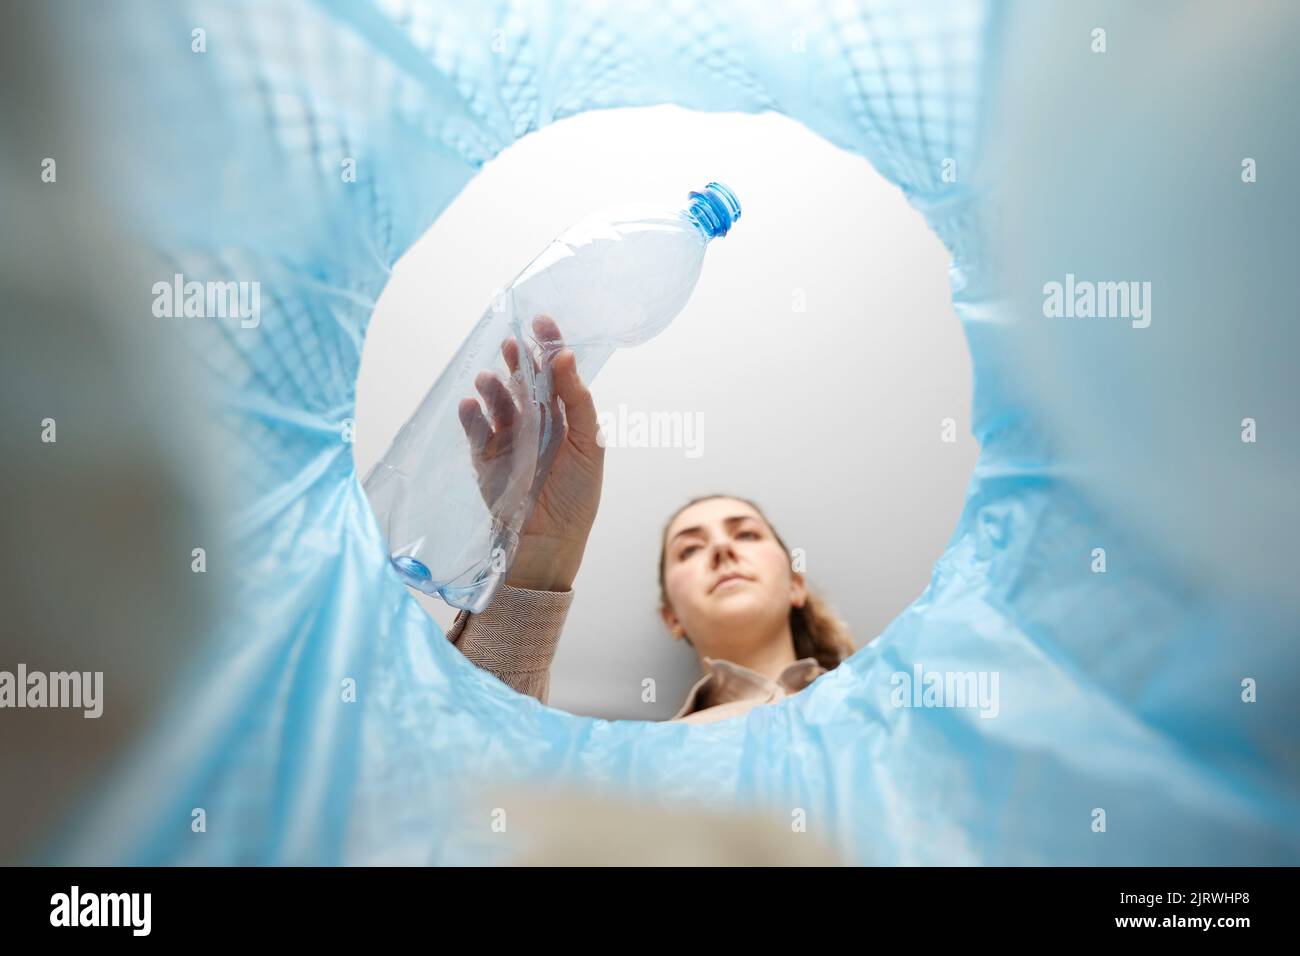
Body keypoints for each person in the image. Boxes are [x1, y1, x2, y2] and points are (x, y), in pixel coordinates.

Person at [446, 317, 857, 724]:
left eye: (747, 534)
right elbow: (467, 766)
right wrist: (539, 557)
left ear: (796, 584)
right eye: (690, 549)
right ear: (671, 618)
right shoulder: (635, 766)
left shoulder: (894, 698)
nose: (721, 549)